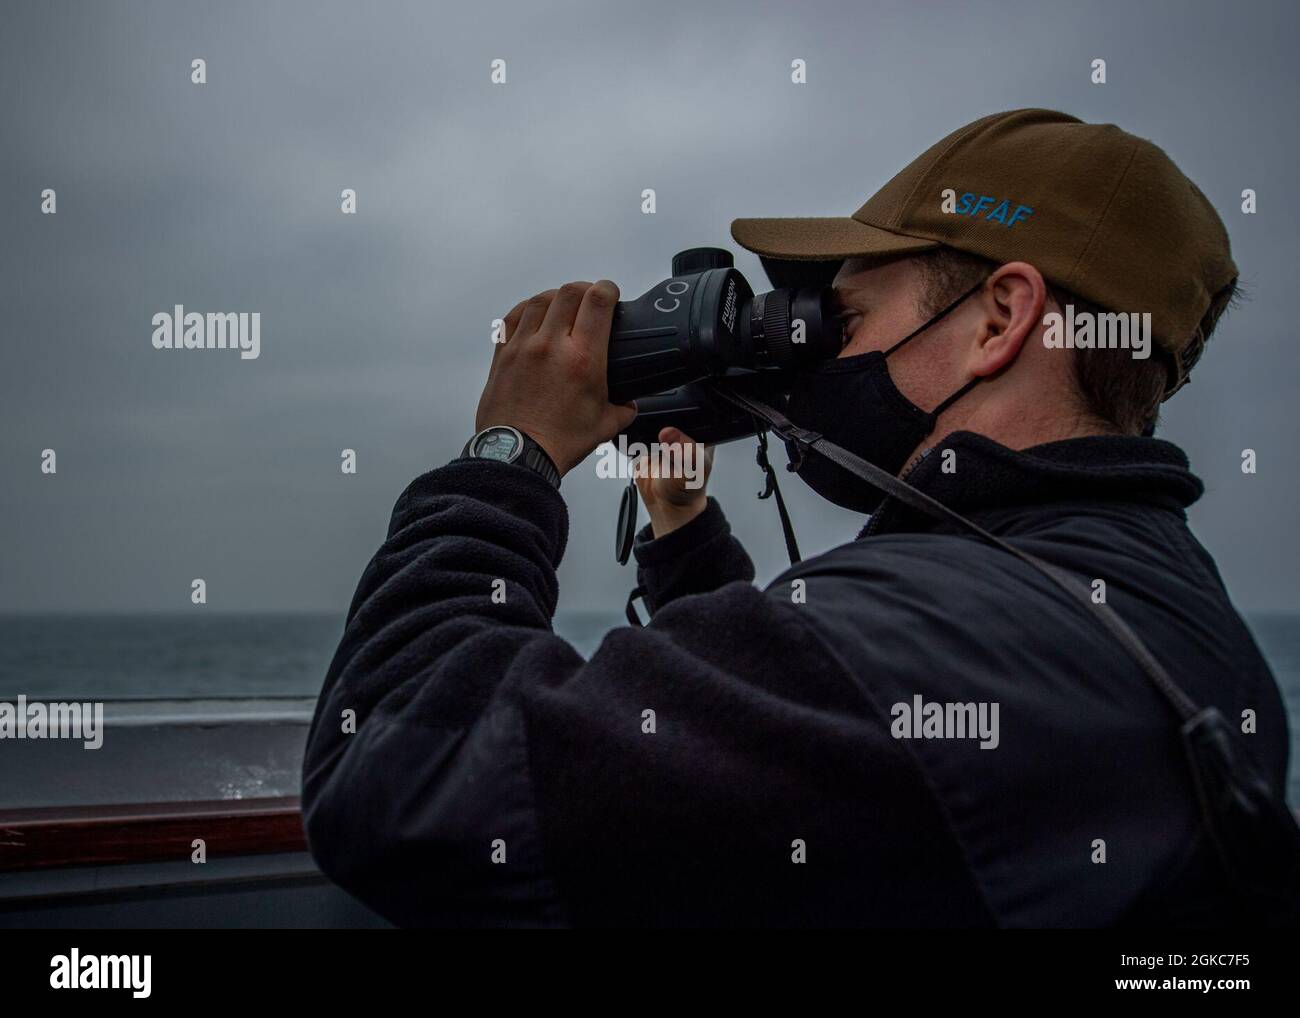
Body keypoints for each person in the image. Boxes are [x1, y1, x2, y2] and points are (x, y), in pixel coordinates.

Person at [301, 108, 1290, 927]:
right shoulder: (1167, 615)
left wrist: (506, 457)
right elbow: (811, 746)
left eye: (843, 319)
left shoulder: (917, 652)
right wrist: (685, 532)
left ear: (998, 319)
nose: (818, 357)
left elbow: (398, 782)